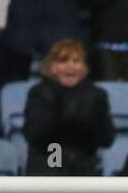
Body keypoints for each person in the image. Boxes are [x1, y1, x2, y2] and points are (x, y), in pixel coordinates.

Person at [23, 38, 116, 176]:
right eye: (63, 61)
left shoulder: (97, 95)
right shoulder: (39, 93)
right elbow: (34, 134)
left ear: (84, 66)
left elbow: (107, 138)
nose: (70, 66)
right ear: (52, 66)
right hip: (49, 163)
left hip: (84, 167)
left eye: (76, 61)